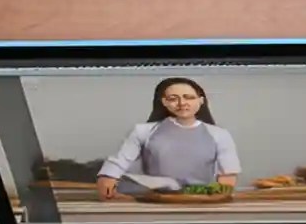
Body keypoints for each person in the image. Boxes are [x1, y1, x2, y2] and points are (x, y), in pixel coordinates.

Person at [95, 77, 240, 200]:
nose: (182, 103)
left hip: (199, 199)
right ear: (164, 102)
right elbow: (120, 160)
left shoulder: (219, 134)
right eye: (173, 99)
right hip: (155, 198)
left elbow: (227, 174)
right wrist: (108, 177)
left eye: (189, 97)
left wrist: (220, 193)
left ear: (201, 101)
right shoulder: (143, 131)